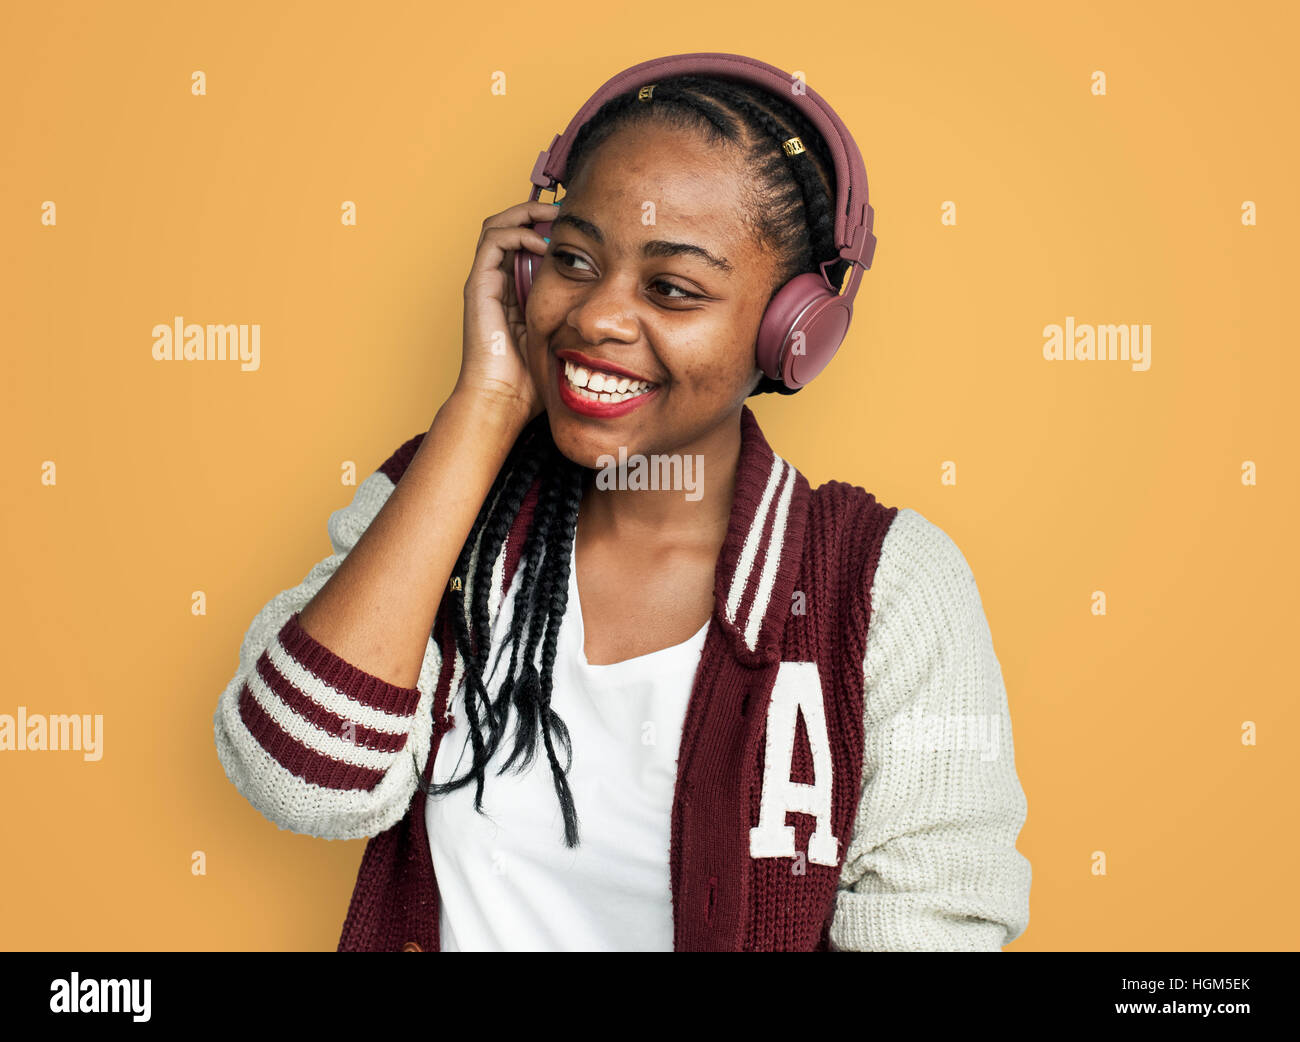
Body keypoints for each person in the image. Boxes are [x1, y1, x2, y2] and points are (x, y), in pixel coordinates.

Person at [212, 54, 1032, 951]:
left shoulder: (883, 588)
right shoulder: (440, 500)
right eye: (572, 259)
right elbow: (303, 777)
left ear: (792, 333)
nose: (596, 317)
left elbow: (933, 933)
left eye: (672, 289)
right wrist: (484, 408)